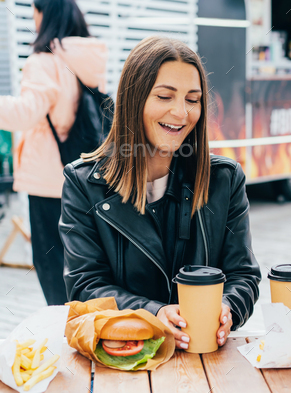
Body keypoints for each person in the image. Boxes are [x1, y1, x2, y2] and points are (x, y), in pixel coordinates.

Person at [59, 36, 261, 349]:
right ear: (133, 99)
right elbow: (85, 286)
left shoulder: (225, 179)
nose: (181, 113)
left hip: (206, 357)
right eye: (165, 96)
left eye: (192, 100)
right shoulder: (83, 183)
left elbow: (243, 275)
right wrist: (154, 313)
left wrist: (229, 308)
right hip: (128, 359)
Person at [0, 0, 107, 305]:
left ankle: (66, 330)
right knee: (81, 262)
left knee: (51, 266)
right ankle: (87, 323)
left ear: (44, 13)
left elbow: (26, 113)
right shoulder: (85, 62)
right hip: (84, 177)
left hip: (48, 180)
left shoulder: (44, 61)